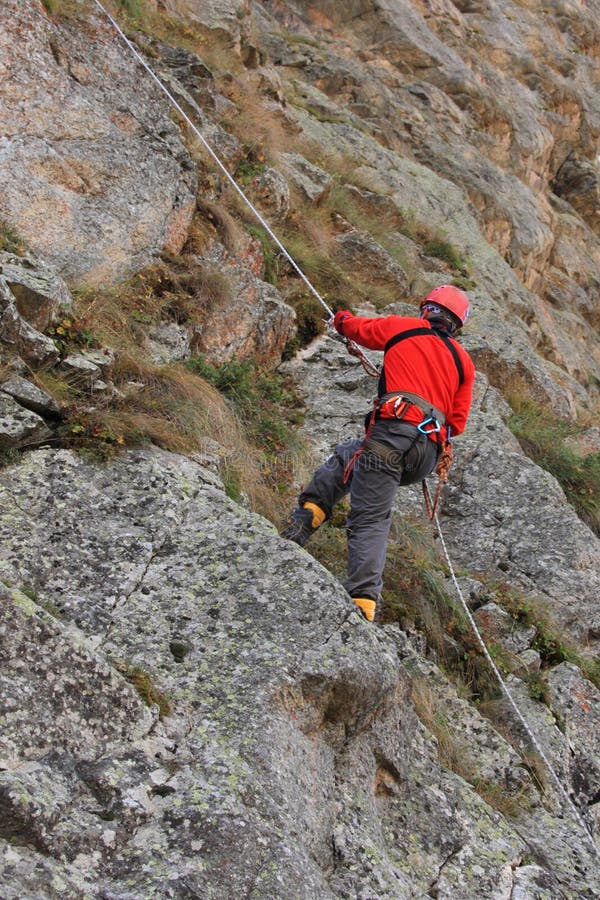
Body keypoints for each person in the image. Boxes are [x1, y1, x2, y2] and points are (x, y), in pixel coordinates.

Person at [281, 285, 476, 623]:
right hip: (425, 455)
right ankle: (310, 513)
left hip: (392, 435)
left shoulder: (405, 327)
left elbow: (362, 330)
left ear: (427, 309)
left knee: (370, 516)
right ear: (457, 324)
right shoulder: (463, 362)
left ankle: (363, 602)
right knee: (349, 456)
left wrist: (340, 320)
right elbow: (456, 423)